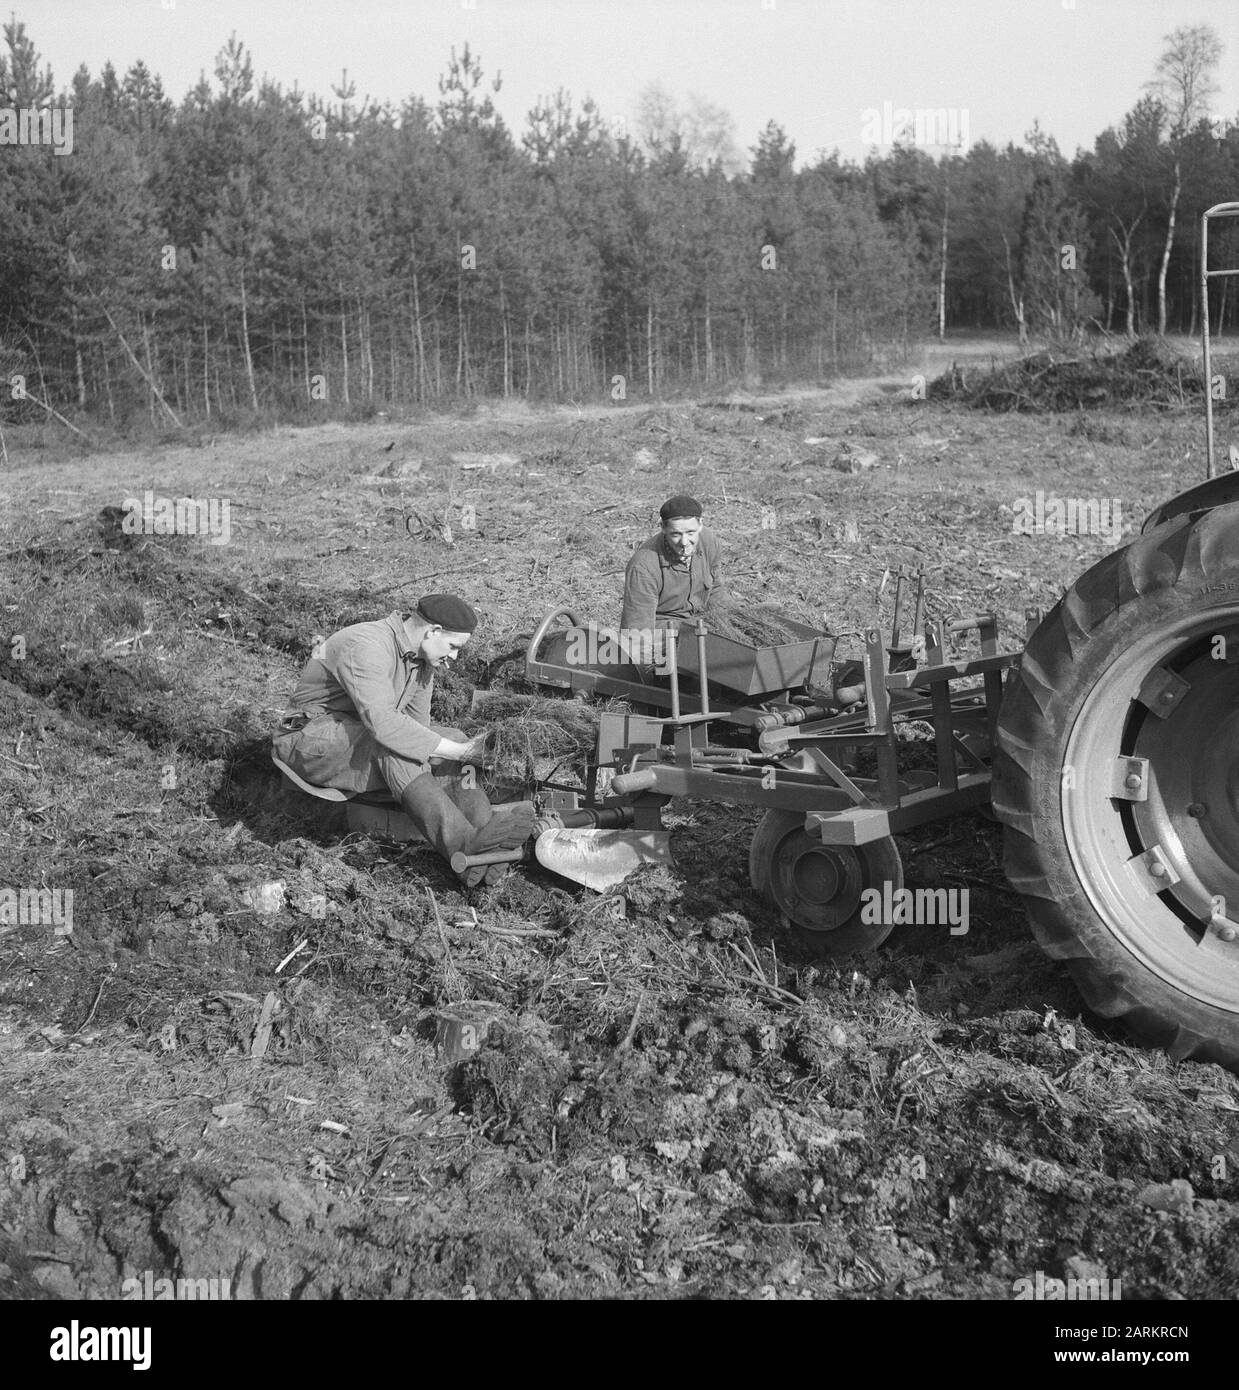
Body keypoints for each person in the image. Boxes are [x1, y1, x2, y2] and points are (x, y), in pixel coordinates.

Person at [272, 595, 534, 888]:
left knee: (452, 738)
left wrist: (458, 750)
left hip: (354, 740)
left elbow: (419, 730)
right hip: (306, 741)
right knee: (397, 745)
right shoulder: (367, 645)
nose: (455, 657)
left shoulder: (421, 663)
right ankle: (462, 845)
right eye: (454, 646)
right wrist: (462, 753)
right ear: (432, 631)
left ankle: (486, 834)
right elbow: (385, 726)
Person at [620, 493, 726, 636]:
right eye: (676, 534)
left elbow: (716, 592)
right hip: (663, 632)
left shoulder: (709, 542)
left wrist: (727, 623)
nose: (684, 542)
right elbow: (638, 632)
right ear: (663, 528)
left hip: (701, 621)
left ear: (700, 525)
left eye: (690, 533)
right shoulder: (643, 567)